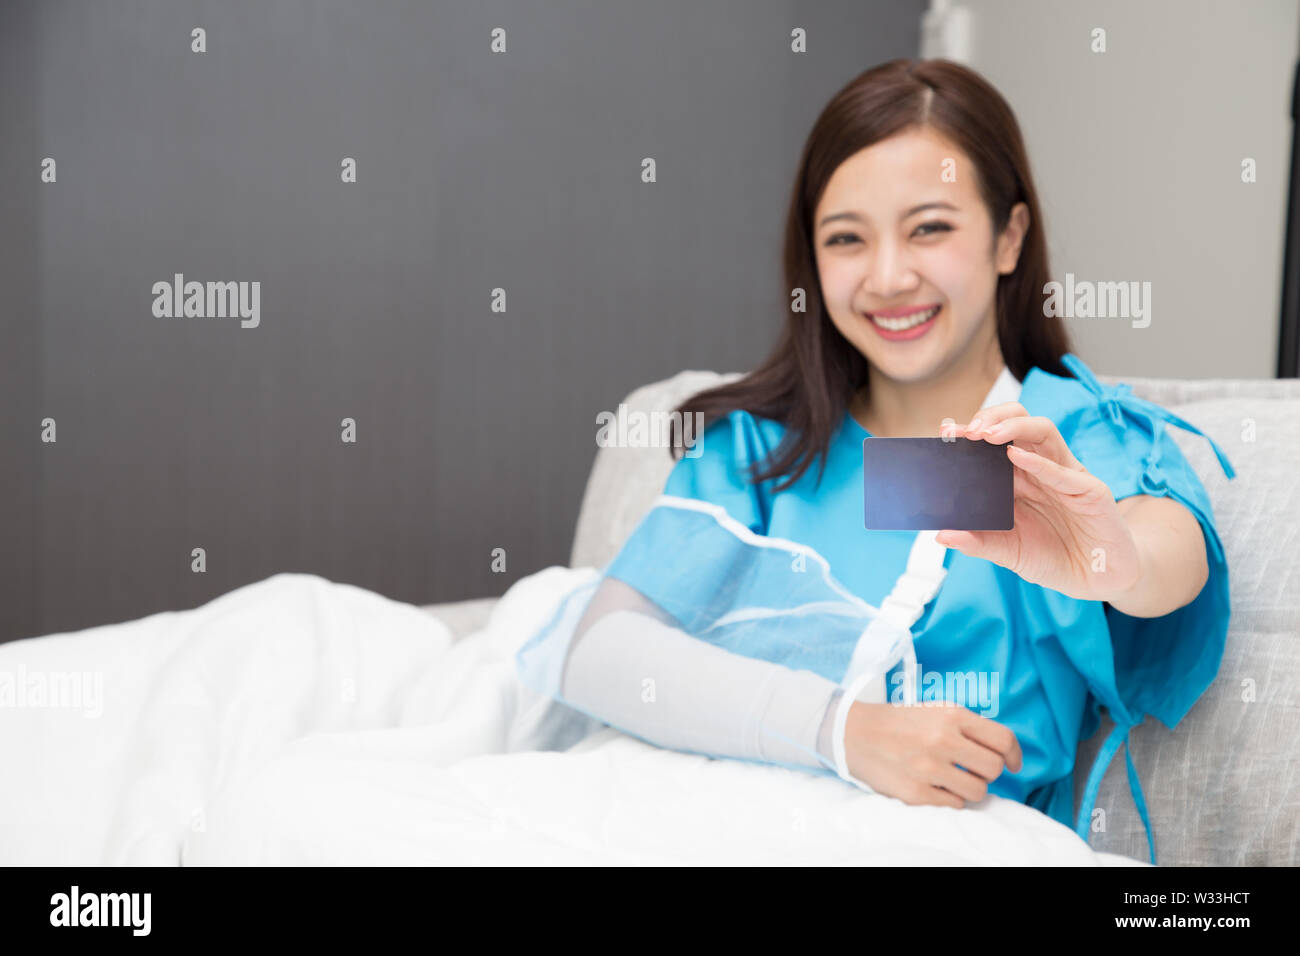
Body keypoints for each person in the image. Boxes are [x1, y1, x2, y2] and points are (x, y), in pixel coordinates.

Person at [548, 58, 1235, 865]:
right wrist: (844, 731)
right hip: (707, 820)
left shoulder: (1070, 431)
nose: (887, 277)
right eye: (846, 239)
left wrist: (1110, 562)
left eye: (930, 227)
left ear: (1009, 237)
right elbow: (600, 653)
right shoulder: (765, 447)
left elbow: (1166, 552)